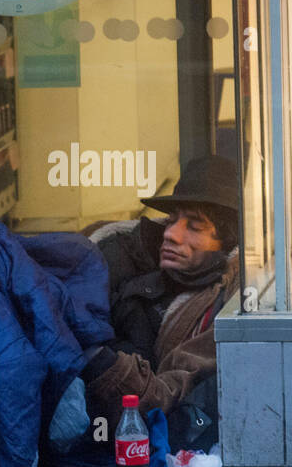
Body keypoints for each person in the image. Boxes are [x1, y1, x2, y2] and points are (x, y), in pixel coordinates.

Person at [78, 155, 240, 449]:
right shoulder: (122, 262)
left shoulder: (224, 305)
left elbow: (169, 389)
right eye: (172, 220)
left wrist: (103, 362)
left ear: (225, 243)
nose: (170, 234)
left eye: (194, 227)